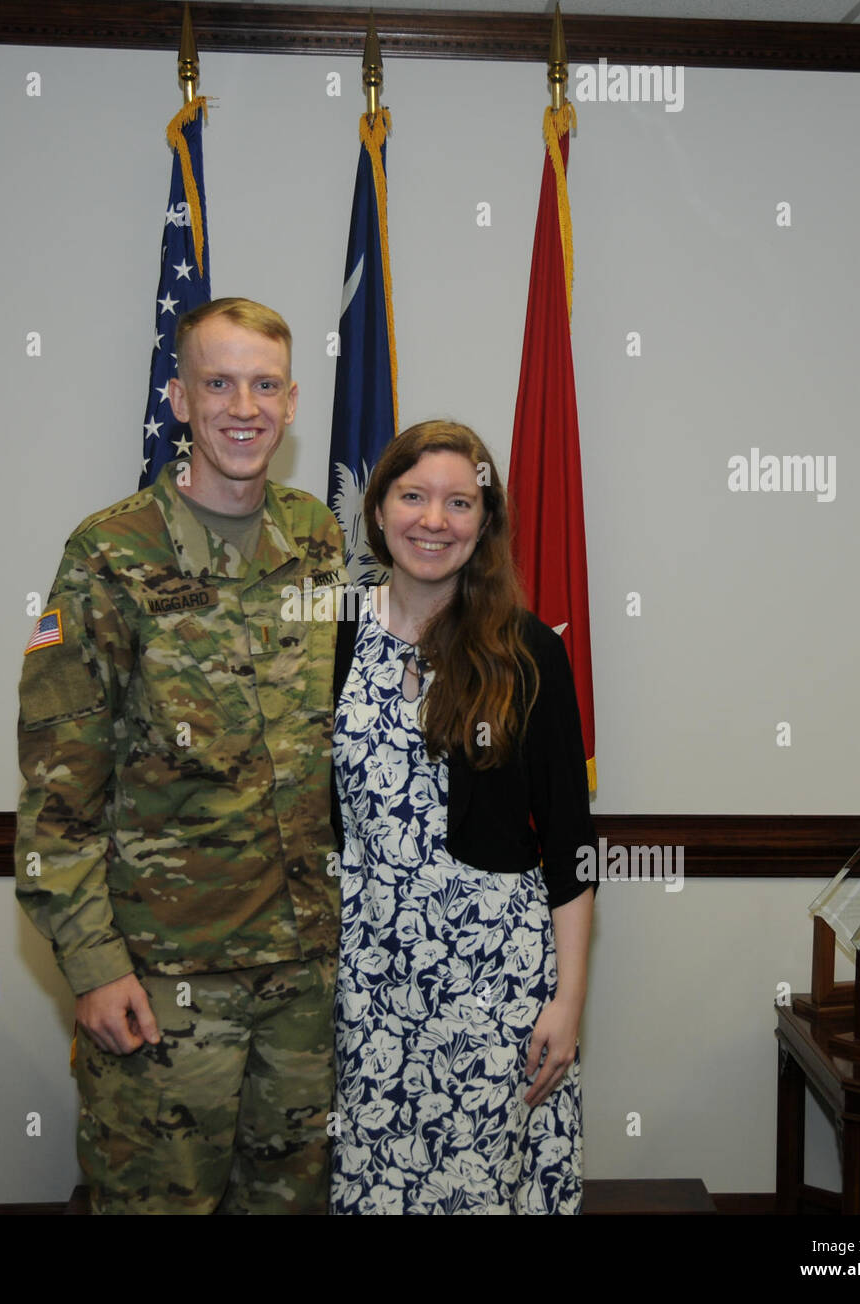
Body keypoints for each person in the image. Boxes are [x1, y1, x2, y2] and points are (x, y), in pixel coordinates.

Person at [14, 297, 348, 1214]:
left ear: (290, 402)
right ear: (179, 399)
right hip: (164, 986)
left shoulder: (320, 544)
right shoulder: (109, 555)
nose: (244, 406)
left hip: (305, 981)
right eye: (218, 382)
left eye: (265, 384)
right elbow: (57, 796)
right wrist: (94, 966)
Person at [328, 420, 597, 1214]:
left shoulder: (528, 653)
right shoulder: (325, 638)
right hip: (362, 987)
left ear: (485, 523)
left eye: (459, 502)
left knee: (481, 1193)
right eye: (413, 496)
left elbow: (573, 845)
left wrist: (569, 1000)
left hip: (494, 992)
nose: (433, 520)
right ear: (378, 509)